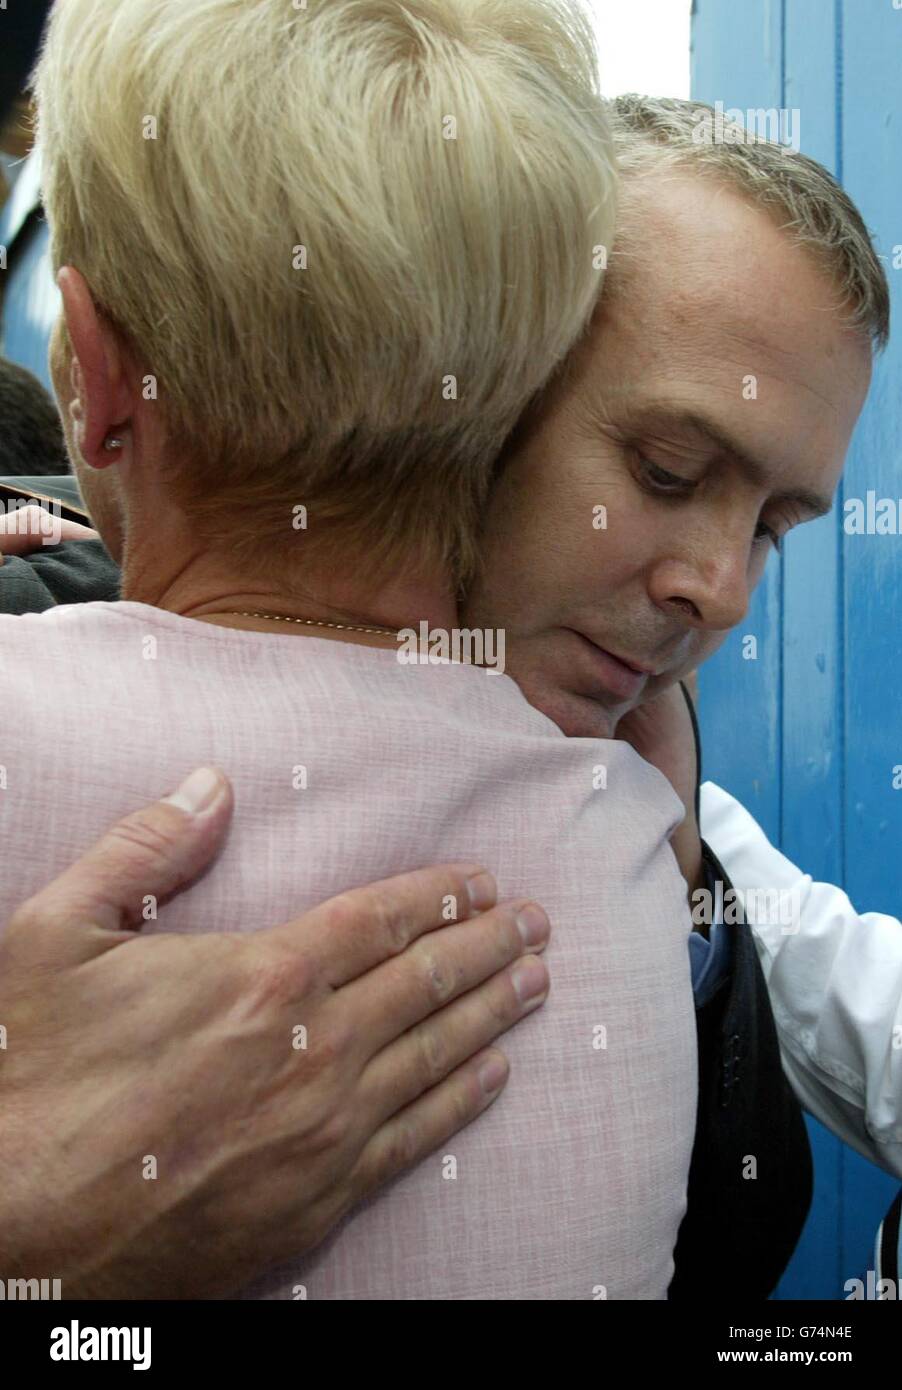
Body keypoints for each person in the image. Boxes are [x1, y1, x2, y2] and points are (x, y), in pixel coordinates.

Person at [1, 89, 891, 1297]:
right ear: (474, 378)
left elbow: (733, 1239)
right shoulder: (51, 636)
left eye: (774, 527)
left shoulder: (659, 800)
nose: (722, 591)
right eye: (667, 471)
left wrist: (678, 888)